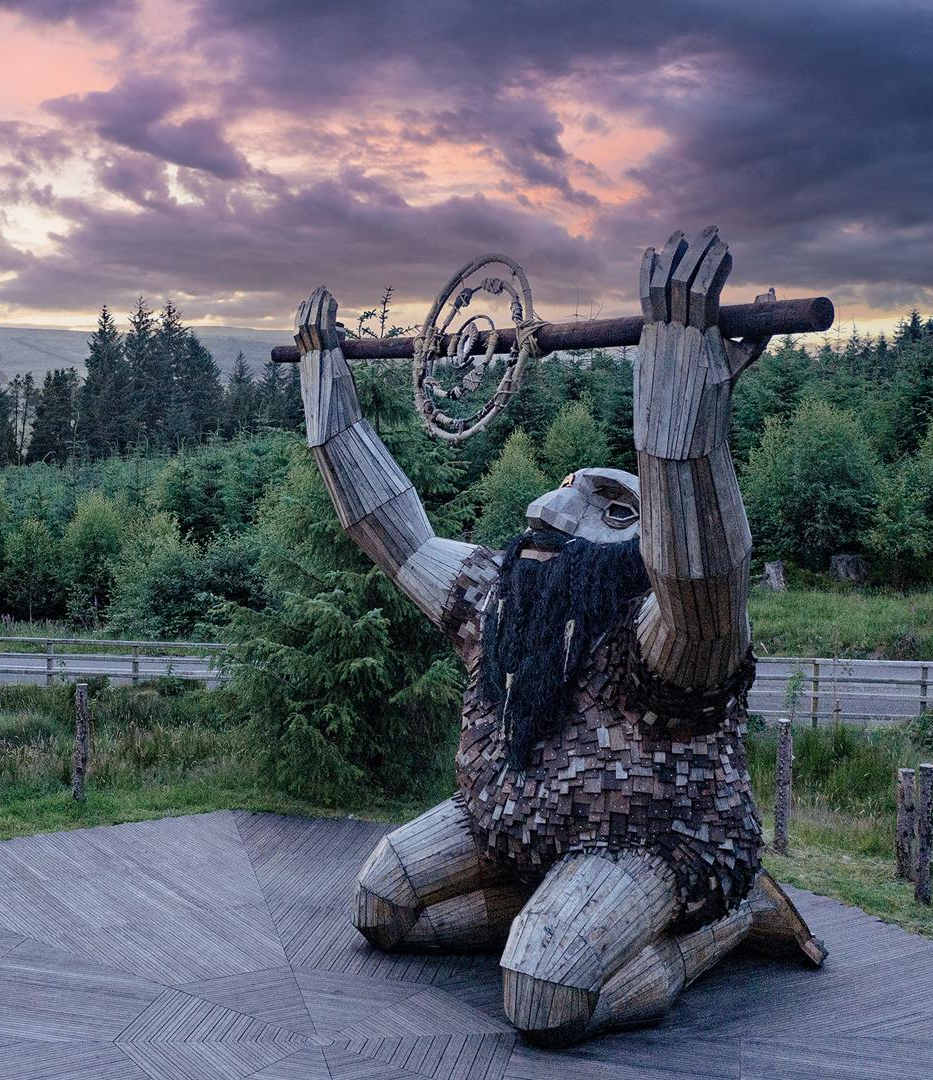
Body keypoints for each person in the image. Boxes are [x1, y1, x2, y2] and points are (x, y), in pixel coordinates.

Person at [294, 226, 823, 1047]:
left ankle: (711, 928)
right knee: (381, 899)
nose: (547, 510)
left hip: (647, 842)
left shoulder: (665, 642)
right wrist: (328, 400)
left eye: (611, 510)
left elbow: (702, 575)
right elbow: (393, 532)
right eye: (564, 492)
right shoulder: (498, 600)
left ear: (642, 541)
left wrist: (680, 419)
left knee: (543, 991)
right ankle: (553, 911)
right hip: (509, 821)